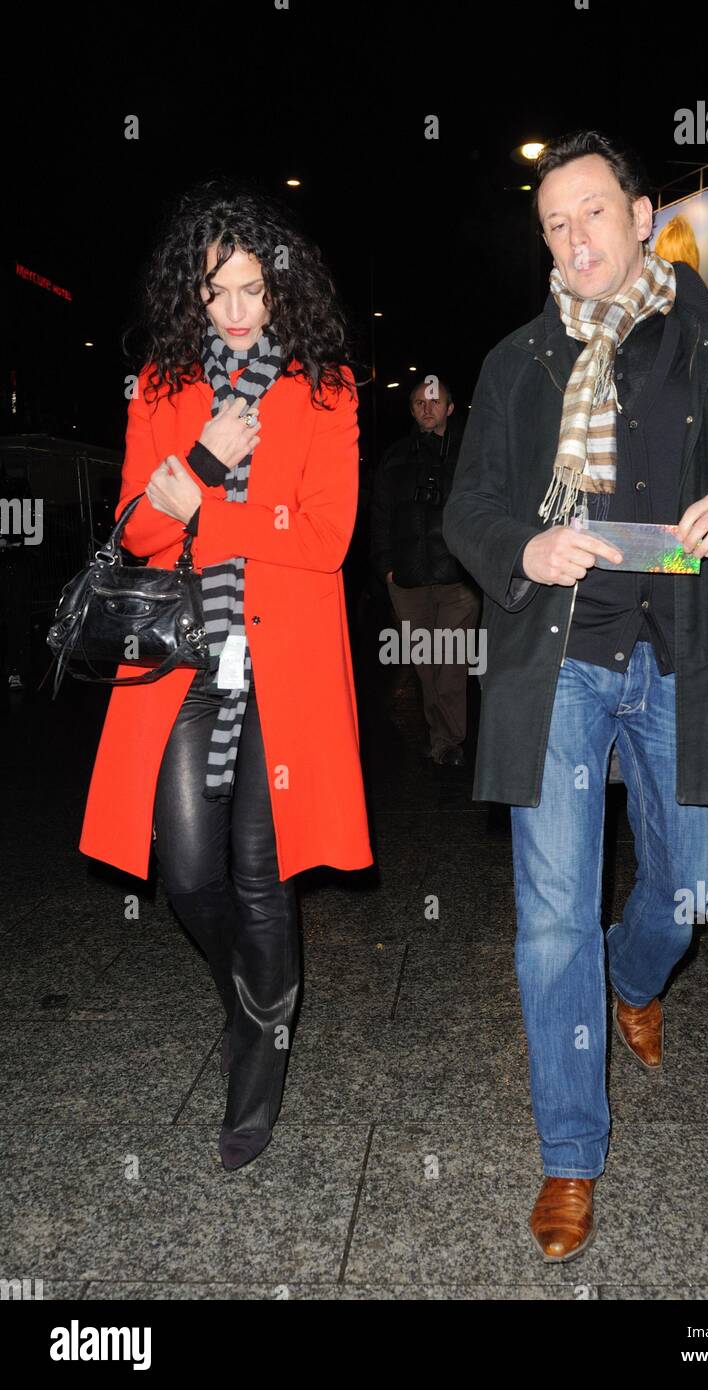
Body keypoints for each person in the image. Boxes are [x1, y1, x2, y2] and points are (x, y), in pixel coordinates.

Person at [443, 129, 708, 1262]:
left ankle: (635, 971)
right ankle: (568, 1154)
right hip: (557, 658)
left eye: (590, 213)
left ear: (641, 212)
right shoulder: (516, 361)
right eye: (552, 224)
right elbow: (469, 510)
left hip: (684, 654)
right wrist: (526, 547)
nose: (572, 239)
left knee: (693, 881)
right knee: (550, 913)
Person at [79, 182, 373, 1170]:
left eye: (253, 288)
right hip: (182, 658)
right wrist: (202, 463)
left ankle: (259, 1054)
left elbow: (325, 537)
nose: (238, 311)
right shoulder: (161, 390)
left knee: (259, 877)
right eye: (218, 293)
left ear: (283, 288)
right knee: (188, 869)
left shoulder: (325, 387)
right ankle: (253, 996)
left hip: (279, 666)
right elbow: (135, 531)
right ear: (191, 295)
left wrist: (208, 507)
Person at [370, 377, 480, 765]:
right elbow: (379, 514)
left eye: (434, 401)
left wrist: (476, 562)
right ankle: (441, 734)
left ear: (450, 407)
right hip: (408, 580)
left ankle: (448, 740)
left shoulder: (470, 455)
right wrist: (386, 568)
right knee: (424, 665)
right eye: (418, 403)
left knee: (451, 663)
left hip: (457, 579)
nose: (426, 408)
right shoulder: (396, 457)